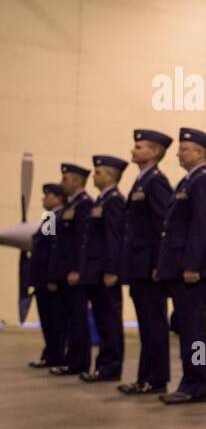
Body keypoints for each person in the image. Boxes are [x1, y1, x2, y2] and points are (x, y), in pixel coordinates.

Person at [155, 128, 206, 404]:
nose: (179, 153)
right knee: (187, 328)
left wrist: (192, 265)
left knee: (195, 331)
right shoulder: (187, 181)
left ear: (200, 153)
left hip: (194, 269)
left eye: (184, 148)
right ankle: (190, 380)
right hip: (181, 268)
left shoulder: (202, 182)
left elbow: (201, 226)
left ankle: (197, 383)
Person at [119, 130, 174, 396]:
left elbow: (161, 226)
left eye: (138, 147)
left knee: (153, 325)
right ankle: (146, 377)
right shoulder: (140, 182)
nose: (132, 150)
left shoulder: (155, 183)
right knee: (146, 326)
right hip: (137, 266)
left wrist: (158, 264)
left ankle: (156, 378)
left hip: (146, 266)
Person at [79, 155, 127, 382]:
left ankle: (106, 366)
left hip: (95, 272)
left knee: (107, 321)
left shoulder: (95, 203)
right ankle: (97, 364)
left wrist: (111, 269)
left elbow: (113, 237)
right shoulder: (57, 212)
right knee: (98, 320)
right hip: (86, 271)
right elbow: (52, 240)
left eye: (97, 172)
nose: (93, 176)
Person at [48, 163, 91, 376]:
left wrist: (77, 269)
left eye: (65, 179)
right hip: (61, 273)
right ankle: (63, 357)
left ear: (76, 181)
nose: (61, 183)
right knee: (65, 318)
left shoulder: (83, 205)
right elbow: (51, 242)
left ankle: (76, 360)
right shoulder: (65, 209)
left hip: (71, 272)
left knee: (76, 319)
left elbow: (83, 240)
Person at [27, 183, 66, 369]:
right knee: (49, 319)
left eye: (47, 195)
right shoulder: (50, 217)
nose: (44, 199)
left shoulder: (55, 217)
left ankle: (54, 354)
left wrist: (51, 276)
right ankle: (50, 353)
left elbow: (52, 250)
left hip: (47, 278)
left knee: (53, 320)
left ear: (58, 198)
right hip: (43, 277)